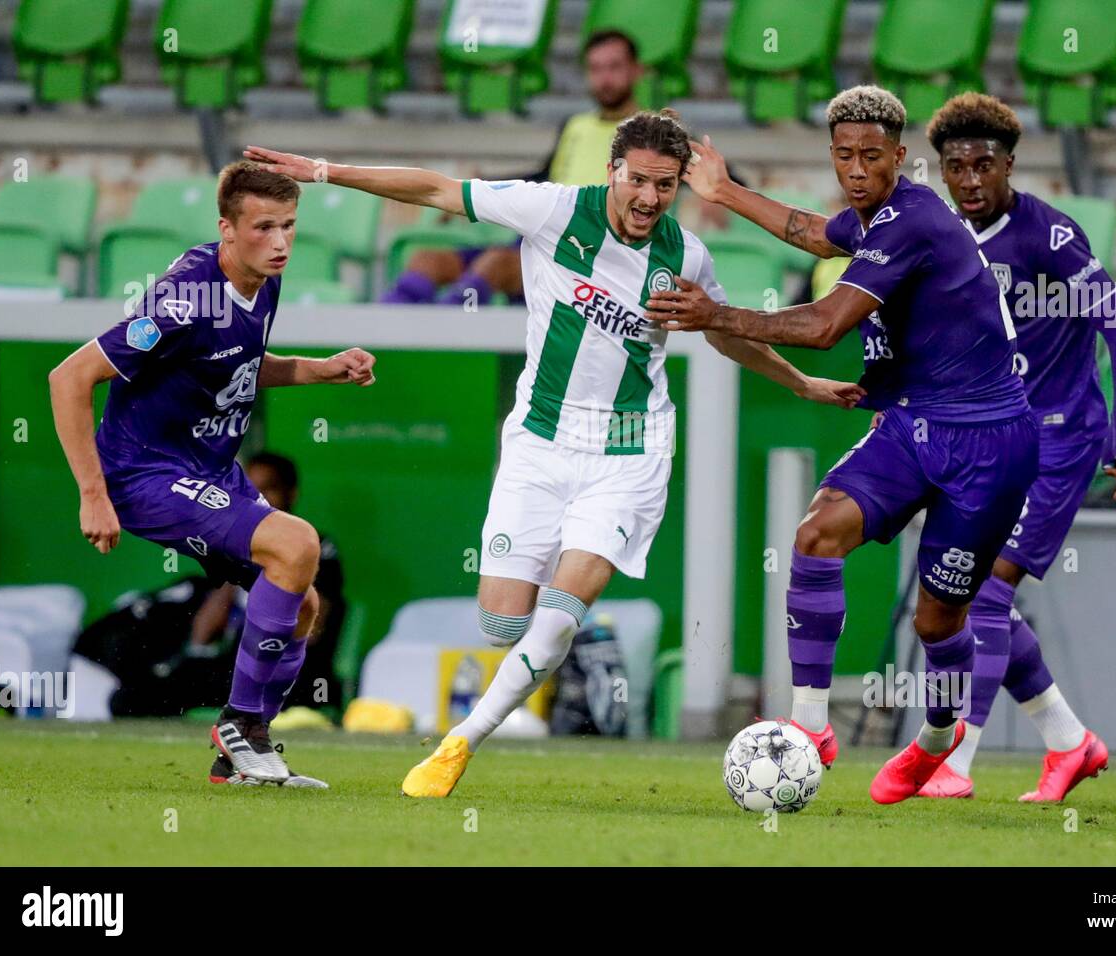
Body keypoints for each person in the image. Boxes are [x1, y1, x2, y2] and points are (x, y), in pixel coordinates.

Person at [244, 109, 863, 798]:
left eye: (666, 185)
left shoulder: (685, 257)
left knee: (564, 609)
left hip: (630, 449)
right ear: (612, 172)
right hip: (539, 441)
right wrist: (326, 172)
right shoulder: (553, 211)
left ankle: (460, 742)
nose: (651, 199)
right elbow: (438, 190)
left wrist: (801, 382)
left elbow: (725, 335)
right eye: (639, 181)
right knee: (503, 621)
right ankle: (541, 642)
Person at [650, 86, 1039, 805]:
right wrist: (725, 189)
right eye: (843, 155)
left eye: (870, 156)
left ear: (899, 157)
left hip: (989, 444)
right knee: (816, 534)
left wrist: (715, 314)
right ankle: (810, 726)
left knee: (935, 619)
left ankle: (938, 733)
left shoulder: (913, 220)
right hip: (909, 424)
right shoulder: (870, 218)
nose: (855, 169)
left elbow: (828, 323)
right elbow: (810, 231)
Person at [48, 161, 377, 788]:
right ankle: (237, 723)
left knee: (302, 603)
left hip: (210, 468)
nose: (280, 242)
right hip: (143, 472)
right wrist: (94, 493)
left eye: (289, 227)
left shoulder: (264, 281)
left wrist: (319, 369)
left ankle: (242, 754)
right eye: (263, 228)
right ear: (226, 229)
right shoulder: (181, 300)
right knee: (299, 541)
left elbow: (239, 365)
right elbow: (69, 377)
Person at [916, 92, 1116, 801]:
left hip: (1059, 439)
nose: (973, 180)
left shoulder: (1048, 238)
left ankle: (954, 762)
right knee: (967, 598)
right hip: (985, 444)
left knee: (982, 595)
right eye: (958, 167)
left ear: (1010, 165)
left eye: (986, 164)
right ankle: (1069, 743)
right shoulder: (940, 236)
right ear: (943, 173)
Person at [381, 30, 644, 307]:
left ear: (636, 70)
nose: (604, 79)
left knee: (494, 264)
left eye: (614, 67)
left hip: (581, 256)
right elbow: (544, 178)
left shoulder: (650, 132)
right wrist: (476, 186)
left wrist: (696, 191)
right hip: (533, 239)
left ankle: (441, 342)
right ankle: (378, 339)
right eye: (595, 69)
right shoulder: (576, 125)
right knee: (426, 260)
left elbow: (673, 177)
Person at [188, 451, 347, 714]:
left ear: (291, 494)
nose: (258, 499)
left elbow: (313, 629)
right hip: (235, 663)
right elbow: (204, 630)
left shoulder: (317, 546)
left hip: (291, 668)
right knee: (136, 694)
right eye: (250, 489)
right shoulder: (240, 543)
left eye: (268, 489)